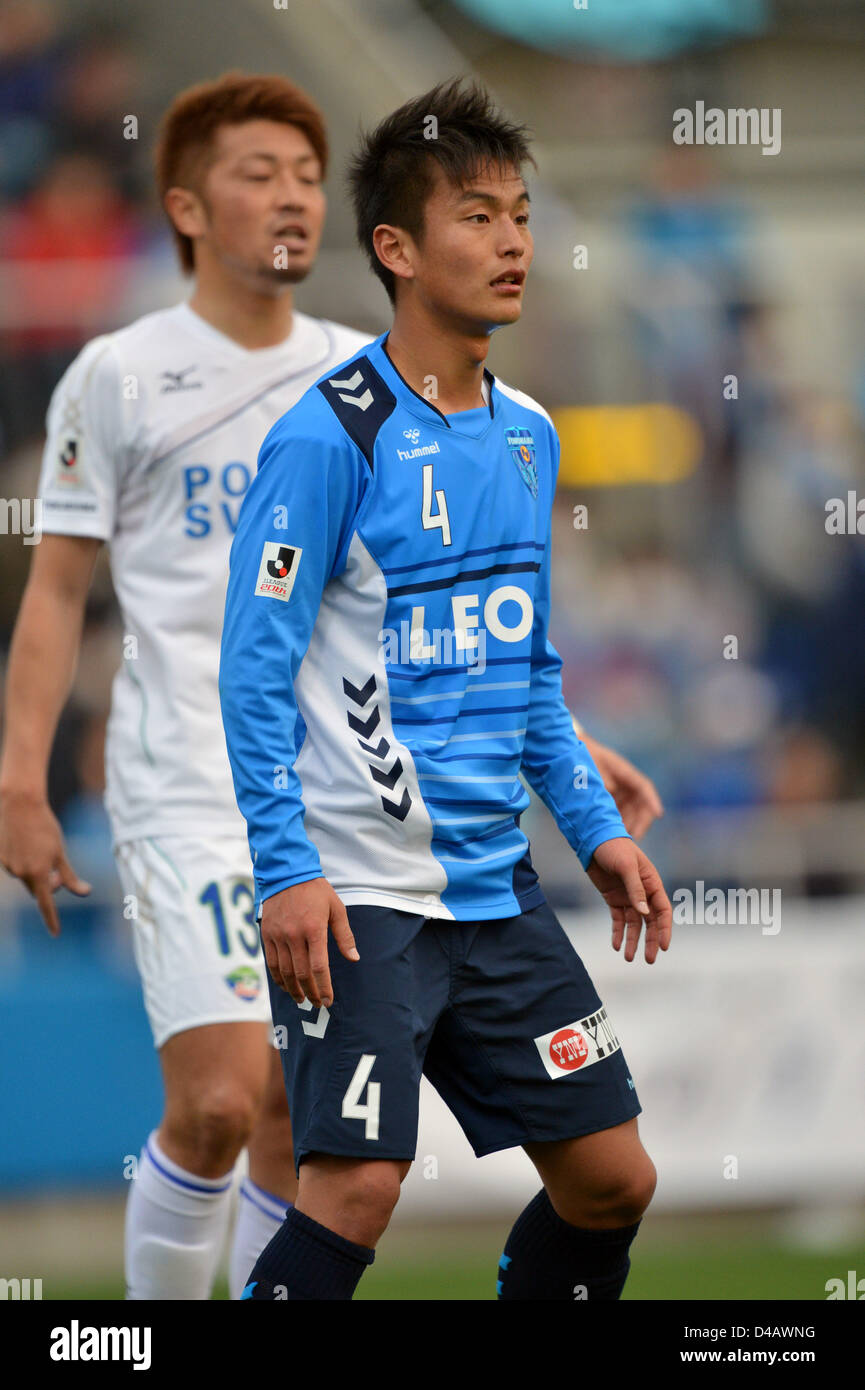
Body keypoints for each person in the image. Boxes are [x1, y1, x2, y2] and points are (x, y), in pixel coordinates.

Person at [218, 78, 673, 1302]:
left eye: (521, 213)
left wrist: (591, 829)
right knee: (357, 1188)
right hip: (359, 893)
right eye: (478, 215)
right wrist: (287, 867)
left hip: (495, 893)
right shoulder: (328, 438)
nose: (515, 240)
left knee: (612, 1180)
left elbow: (525, 664)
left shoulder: (528, 432)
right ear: (397, 248)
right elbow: (251, 668)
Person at [0, 71, 375, 1300]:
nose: (290, 198)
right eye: (258, 174)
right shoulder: (116, 374)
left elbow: (426, 596)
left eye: (309, 179)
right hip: (182, 786)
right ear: (187, 206)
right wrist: (20, 782)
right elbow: (55, 593)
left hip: (332, 792)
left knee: (290, 1117)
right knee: (216, 1099)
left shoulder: (363, 379)